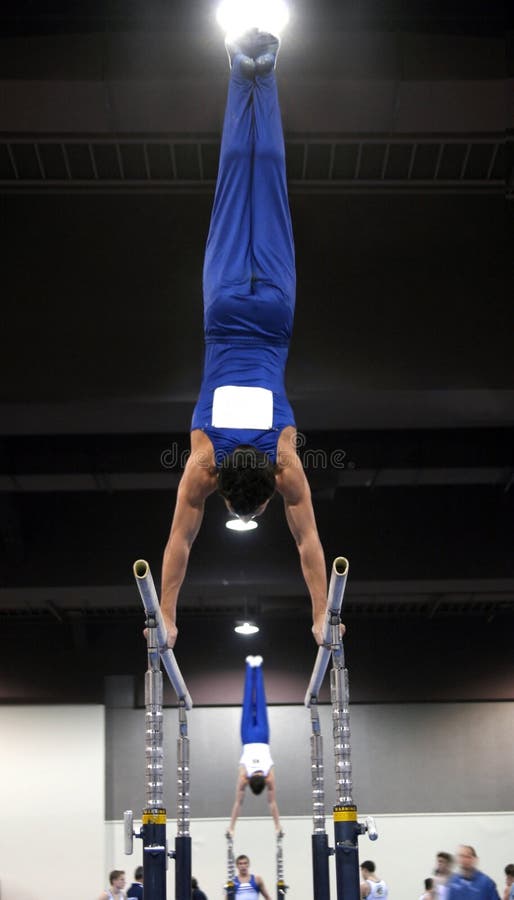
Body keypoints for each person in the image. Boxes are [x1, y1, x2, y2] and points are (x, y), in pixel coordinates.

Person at [158, 27, 332, 650]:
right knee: (236, 182)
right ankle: (241, 65)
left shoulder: (285, 459)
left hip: (276, 310)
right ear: (226, 484)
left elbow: (309, 541)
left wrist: (322, 615)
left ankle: (265, 66)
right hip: (224, 304)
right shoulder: (203, 461)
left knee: (270, 181)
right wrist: (166, 617)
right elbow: (178, 542)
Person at [228, 655, 281, 835]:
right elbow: (238, 803)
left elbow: (272, 803)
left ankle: (257, 666)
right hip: (247, 737)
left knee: (260, 703)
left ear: (264, 782)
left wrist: (277, 825)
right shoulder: (244, 776)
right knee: (247, 703)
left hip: (263, 737)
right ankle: (250, 665)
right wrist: (232, 827)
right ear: (249, 782)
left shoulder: (269, 776)